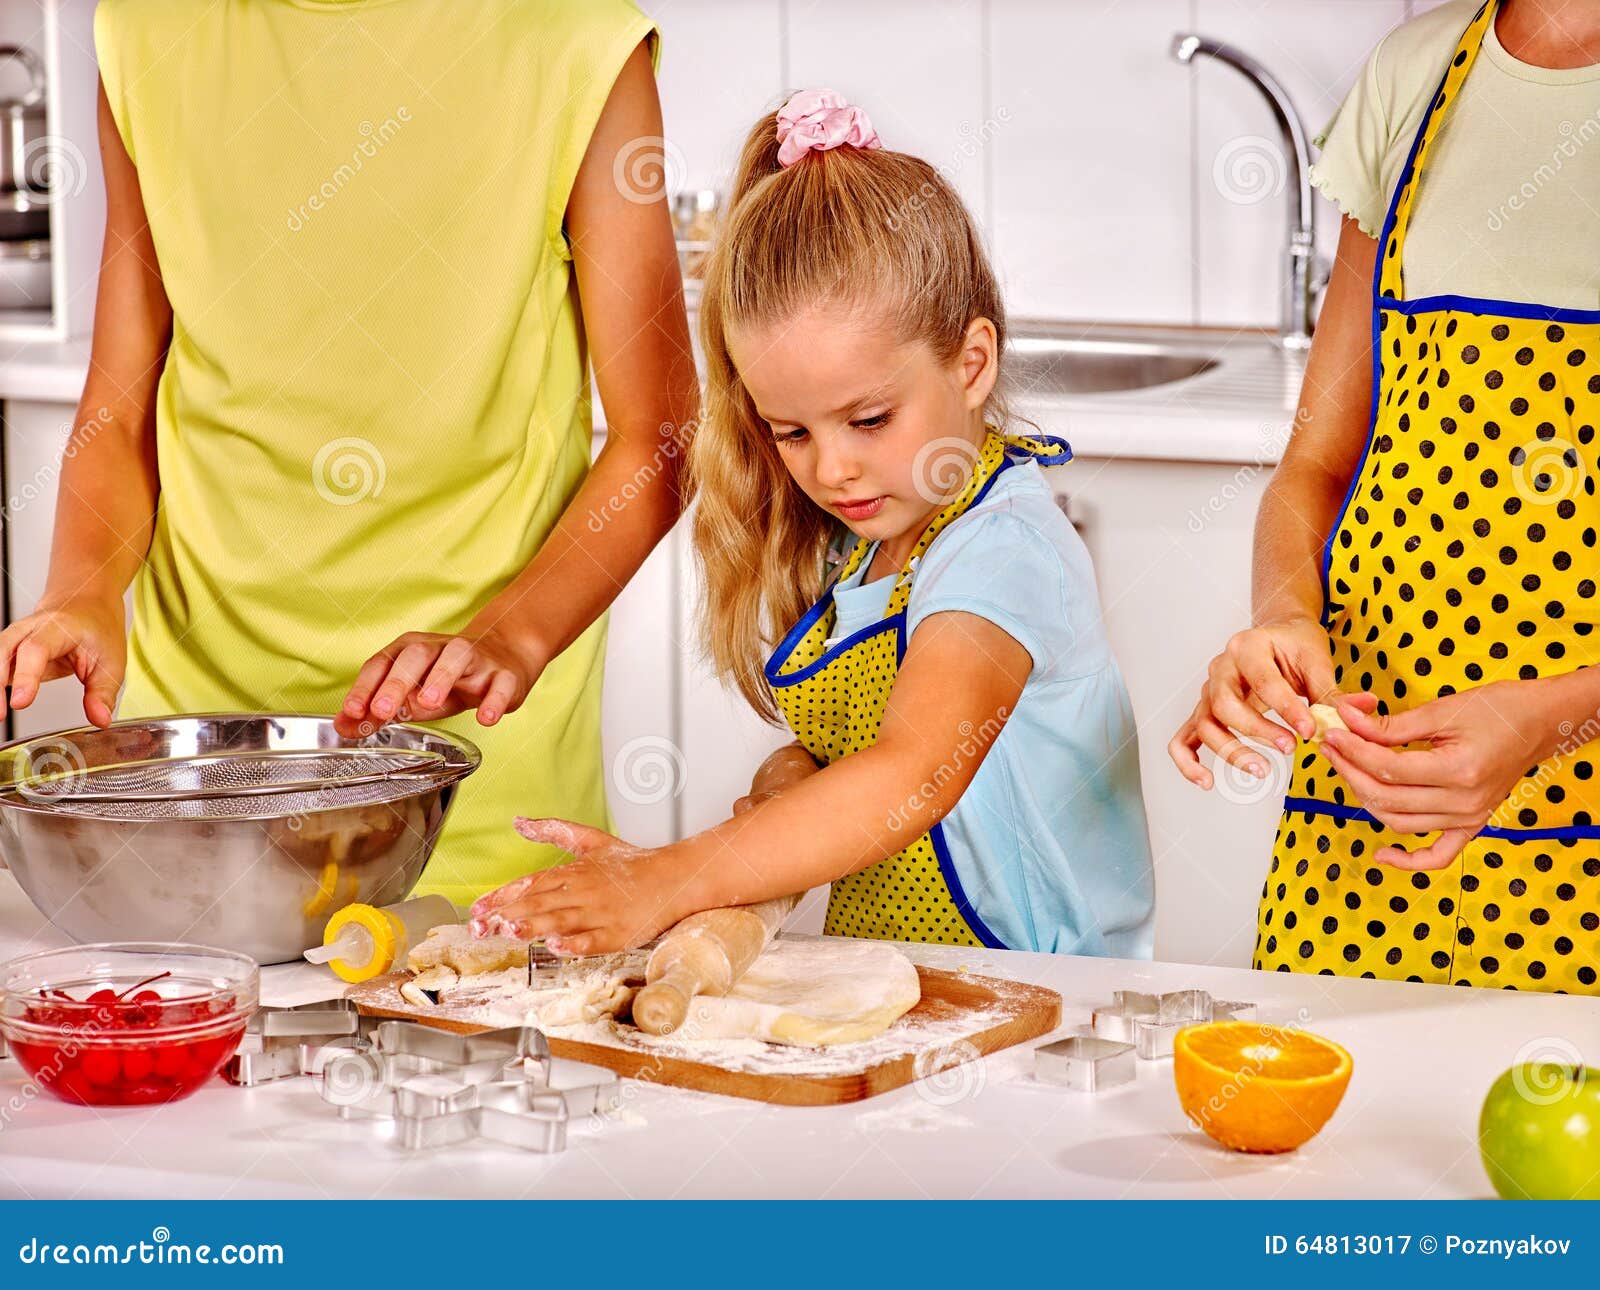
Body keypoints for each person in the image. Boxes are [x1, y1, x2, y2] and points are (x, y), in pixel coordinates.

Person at [0, 0, 697, 906]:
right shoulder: (145, 29)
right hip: (196, 785)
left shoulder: (569, 39)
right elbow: (123, 400)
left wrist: (508, 637)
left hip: (465, 785)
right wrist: (83, 588)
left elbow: (662, 439)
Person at [470, 90, 1155, 956]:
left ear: (972, 363)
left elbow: (911, 773)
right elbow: (856, 767)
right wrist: (795, 772)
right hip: (920, 981)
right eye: (791, 432)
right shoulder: (859, 548)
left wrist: (668, 878)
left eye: (869, 421)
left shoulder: (1001, 548)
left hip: (1051, 998)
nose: (830, 470)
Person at [1170, 0, 1600, 991]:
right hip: (1362, 827)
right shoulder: (1415, 76)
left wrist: (1552, 720)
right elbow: (1316, 462)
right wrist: (1282, 625)